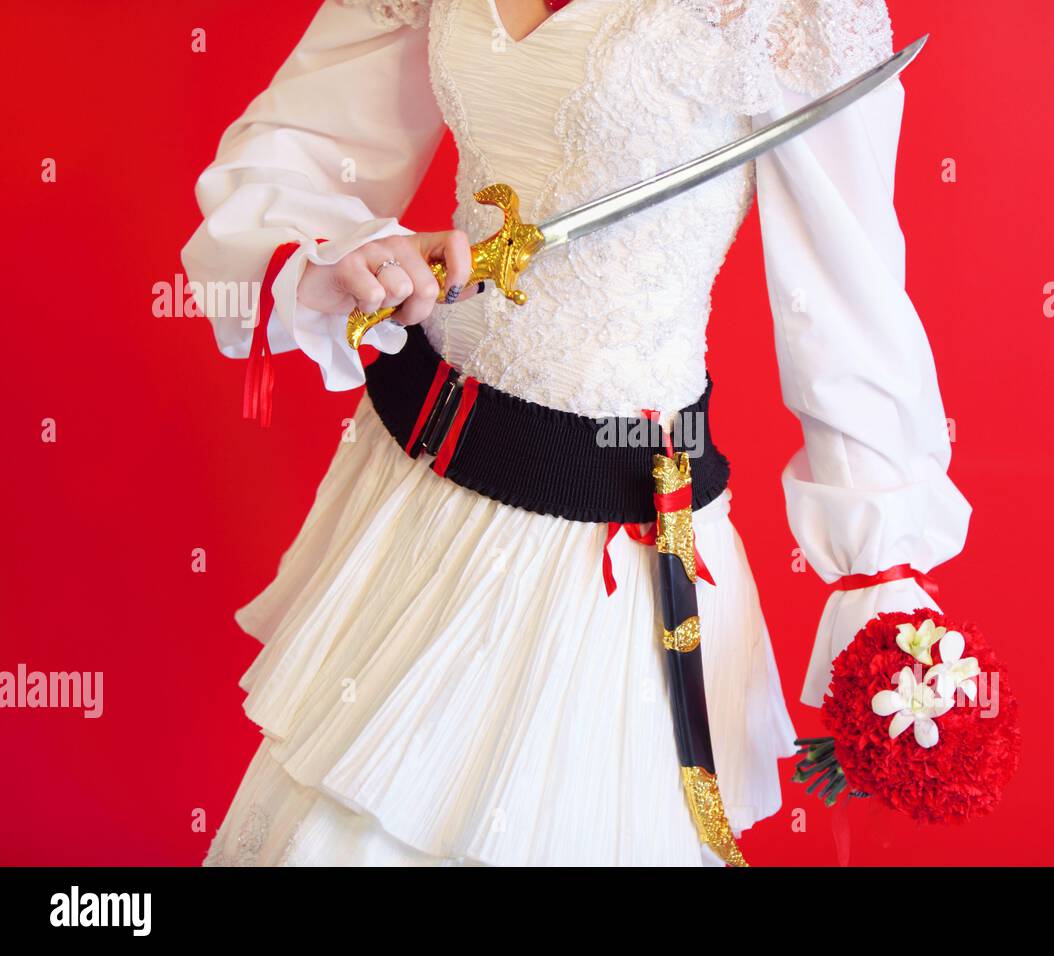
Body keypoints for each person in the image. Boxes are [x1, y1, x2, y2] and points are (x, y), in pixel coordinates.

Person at [182, 0, 970, 866]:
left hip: (610, 545)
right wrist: (344, 252)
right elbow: (301, 138)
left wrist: (882, 577)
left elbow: (845, 294)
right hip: (417, 487)